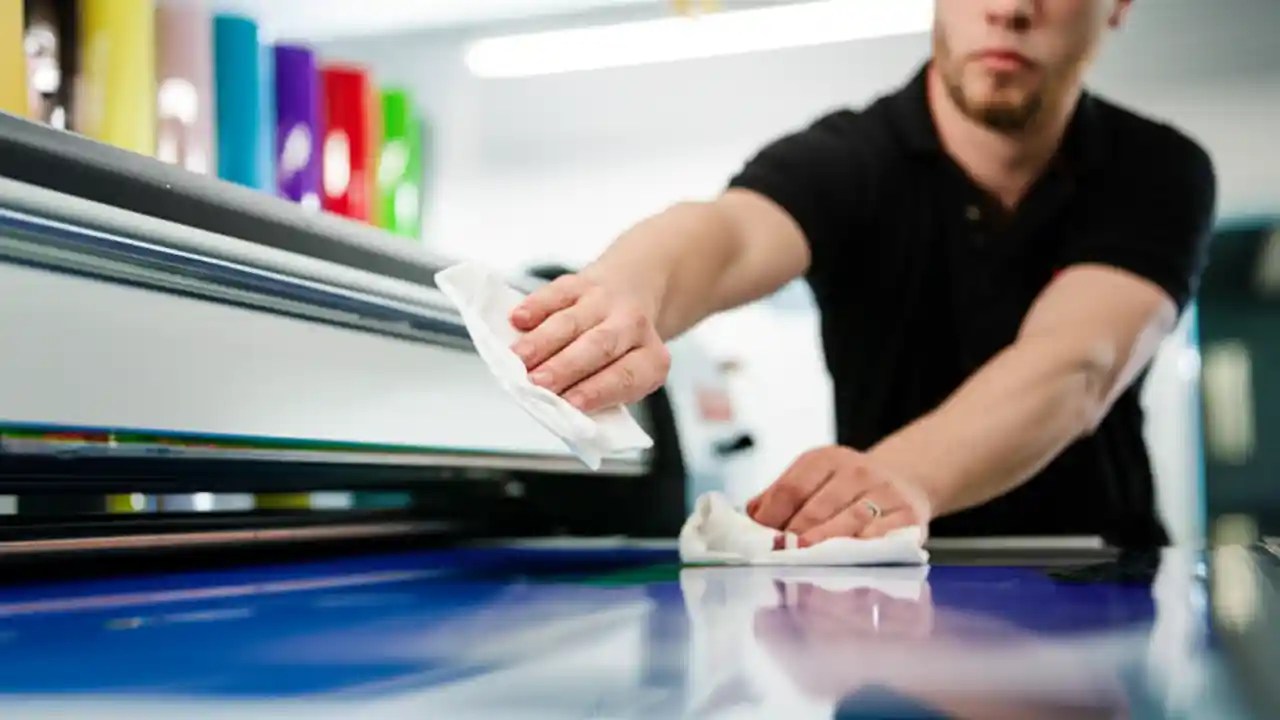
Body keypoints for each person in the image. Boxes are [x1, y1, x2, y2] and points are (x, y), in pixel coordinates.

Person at [507, 0, 1216, 549]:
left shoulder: (1155, 170)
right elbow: (730, 235)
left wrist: (907, 474)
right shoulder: (852, 159)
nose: (1009, 8)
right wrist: (629, 284)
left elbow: (1077, 365)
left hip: (1094, 587)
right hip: (882, 590)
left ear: (1119, 5)